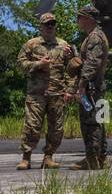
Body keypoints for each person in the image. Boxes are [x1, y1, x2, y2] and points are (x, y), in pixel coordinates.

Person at [14, 12, 77, 170]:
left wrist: (70, 90)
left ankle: (48, 157)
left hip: (57, 94)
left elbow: (72, 69)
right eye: (47, 24)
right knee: (32, 126)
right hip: (37, 93)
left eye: (52, 24)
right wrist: (37, 64)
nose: (50, 27)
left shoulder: (64, 46)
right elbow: (20, 64)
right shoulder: (31, 44)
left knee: (56, 128)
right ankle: (26, 158)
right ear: (40, 27)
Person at [67, 3, 111, 170]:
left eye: (79, 17)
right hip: (97, 87)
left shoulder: (94, 37)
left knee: (90, 124)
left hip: (92, 88)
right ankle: (102, 158)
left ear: (87, 19)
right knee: (99, 121)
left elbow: (92, 62)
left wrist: (82, 83)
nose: (77, 20)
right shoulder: (96, 36)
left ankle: (92, 159)